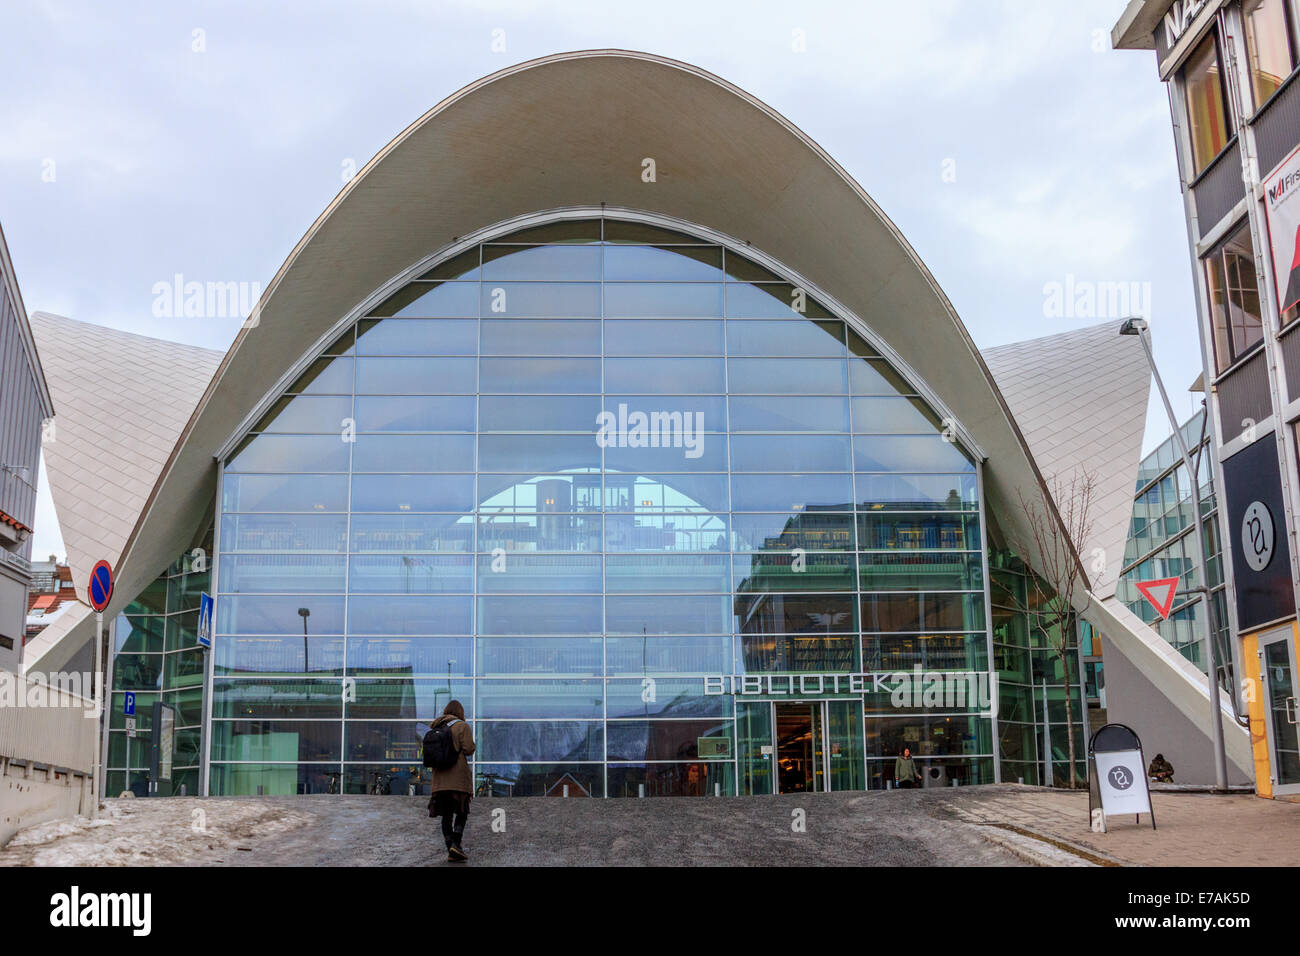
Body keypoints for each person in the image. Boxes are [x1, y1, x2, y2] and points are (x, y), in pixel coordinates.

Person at [427, 700, 476, 862]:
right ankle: (456, 843)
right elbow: (469, 749)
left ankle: (451, 848)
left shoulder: (436, 727)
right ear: (460, 712)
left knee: (446, 816)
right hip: (458, 779)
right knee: (461, 812)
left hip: (439, 780)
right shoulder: (462, 726)